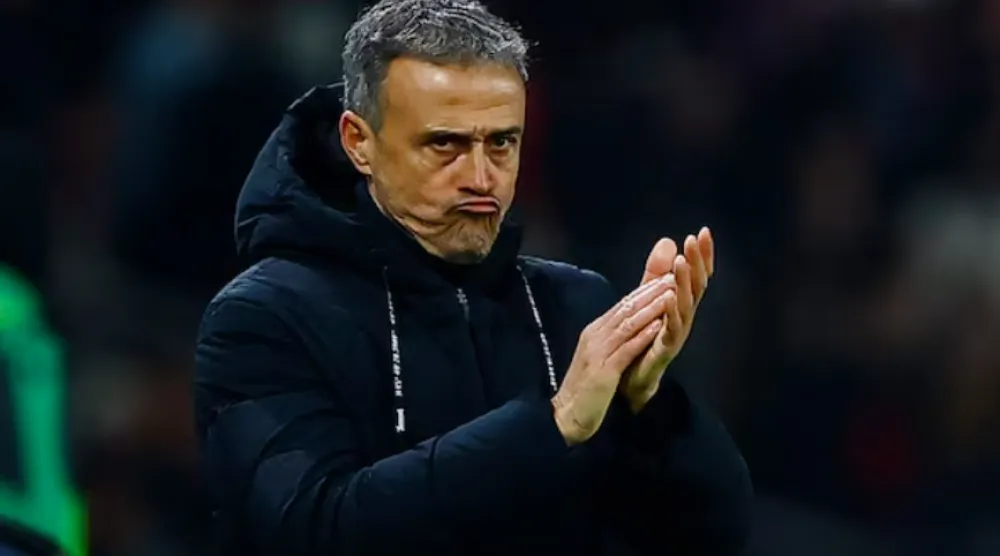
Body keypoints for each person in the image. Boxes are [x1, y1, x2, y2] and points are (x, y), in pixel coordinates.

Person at [194, 0, 752, 554]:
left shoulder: (574, 308)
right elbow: (309, 532)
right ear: (358, 142)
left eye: (501, 143)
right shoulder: (264, 318)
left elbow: (714, 535)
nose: (481, 179)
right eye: (445, 144)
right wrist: (552, 426)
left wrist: (647, 406)